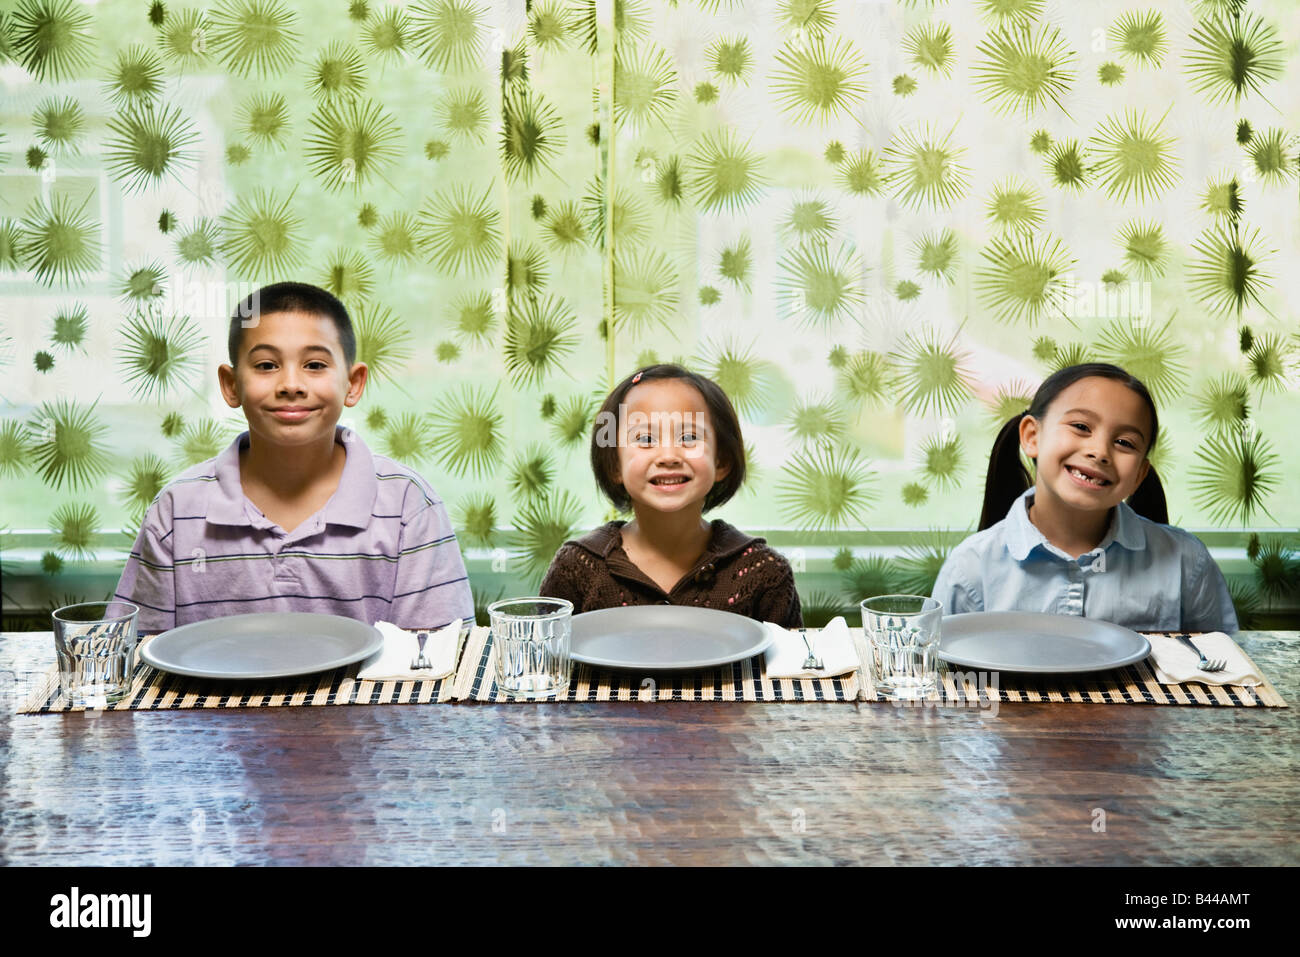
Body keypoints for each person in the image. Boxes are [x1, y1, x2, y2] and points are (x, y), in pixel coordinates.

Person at [114, 282, 474, 633]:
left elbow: (437, 658)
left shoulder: (408, 505)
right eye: (267, 365)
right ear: (231, 385)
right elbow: (139, 657)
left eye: (315, 365)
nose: (291, 384)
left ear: (353, 384)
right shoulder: (177, 510)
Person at [932, 363, 1237, 632]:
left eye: (1124, 442)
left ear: (1139, 474)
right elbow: (940, 681)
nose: (1100, 452)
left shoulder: (1187, 563)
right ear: (1031, 437)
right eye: (1081, 426)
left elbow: (1226, 673)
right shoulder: (969, 569)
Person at [540, 364, 802, 627]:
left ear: (721, 461)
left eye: (688, 437)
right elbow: (545, 662)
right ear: (615, 466)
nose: (668, 456)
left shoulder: (764, 572)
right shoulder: (576, 568)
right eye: (645, 439)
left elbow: (794, 667)